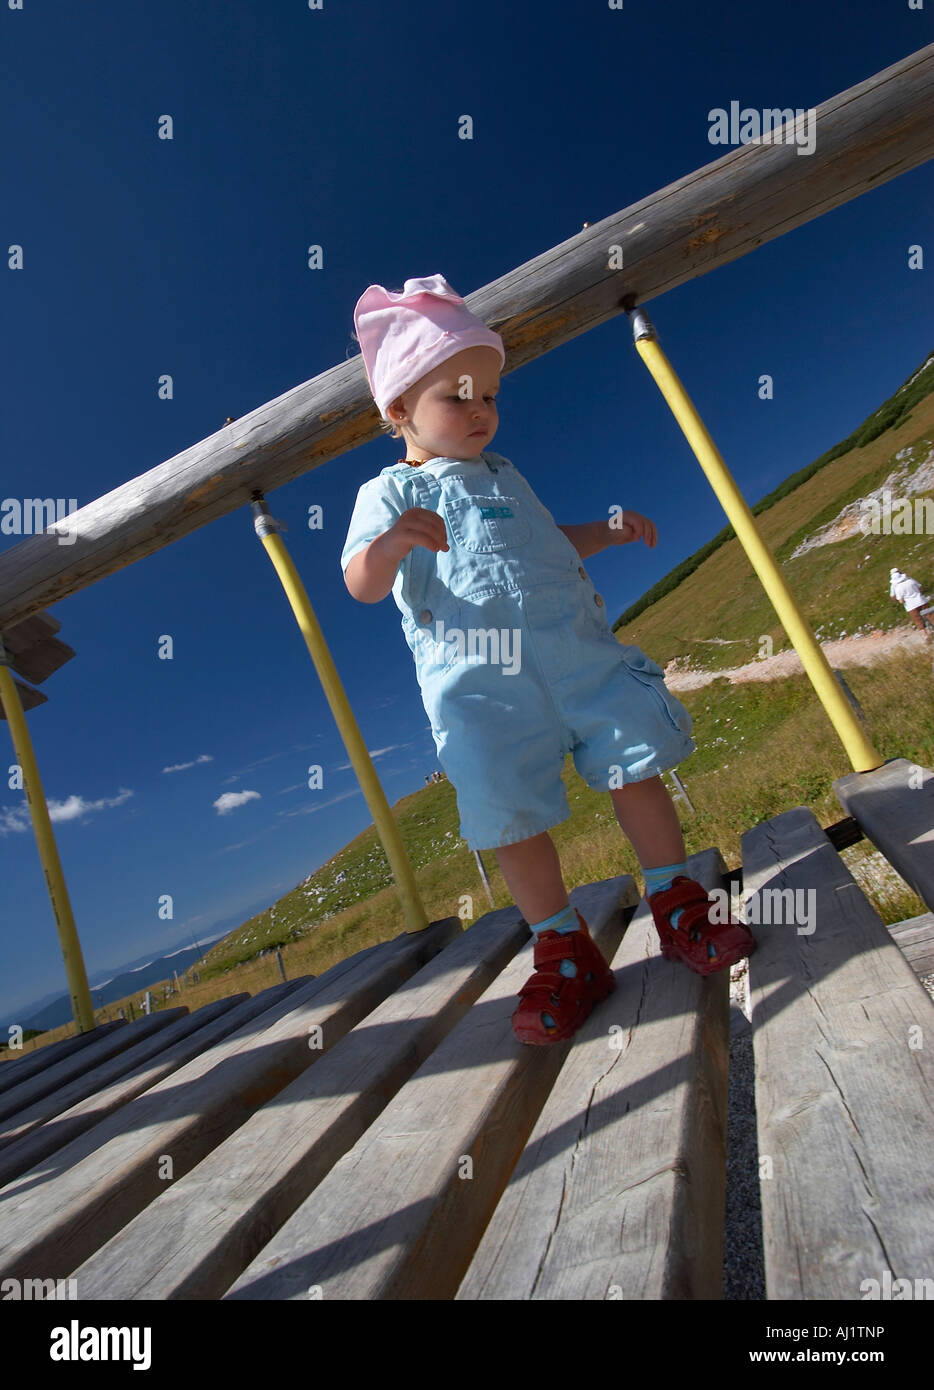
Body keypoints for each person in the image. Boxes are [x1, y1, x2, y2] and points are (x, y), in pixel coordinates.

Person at [341, 274, 754, 1045]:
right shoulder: (389, 492)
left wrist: (609, 527)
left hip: (576, 656)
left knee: (634, 761)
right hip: (481, 694)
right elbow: (359, 583)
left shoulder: (507, 477)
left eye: (489, 396)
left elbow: (551, 543)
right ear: (399, 410)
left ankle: (677, 903)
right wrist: (393, 544)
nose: (480, 412)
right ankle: (564, 951)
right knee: (510, 815)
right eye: (455, 397)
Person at [890, 567, 932, 638]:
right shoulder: (910, 580)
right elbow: (920, 588)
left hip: (911, 606)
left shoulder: (898, 588)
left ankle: (925, 635)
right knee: (930, 615)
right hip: (921, 600)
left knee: (918, 620)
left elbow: (901, 601)